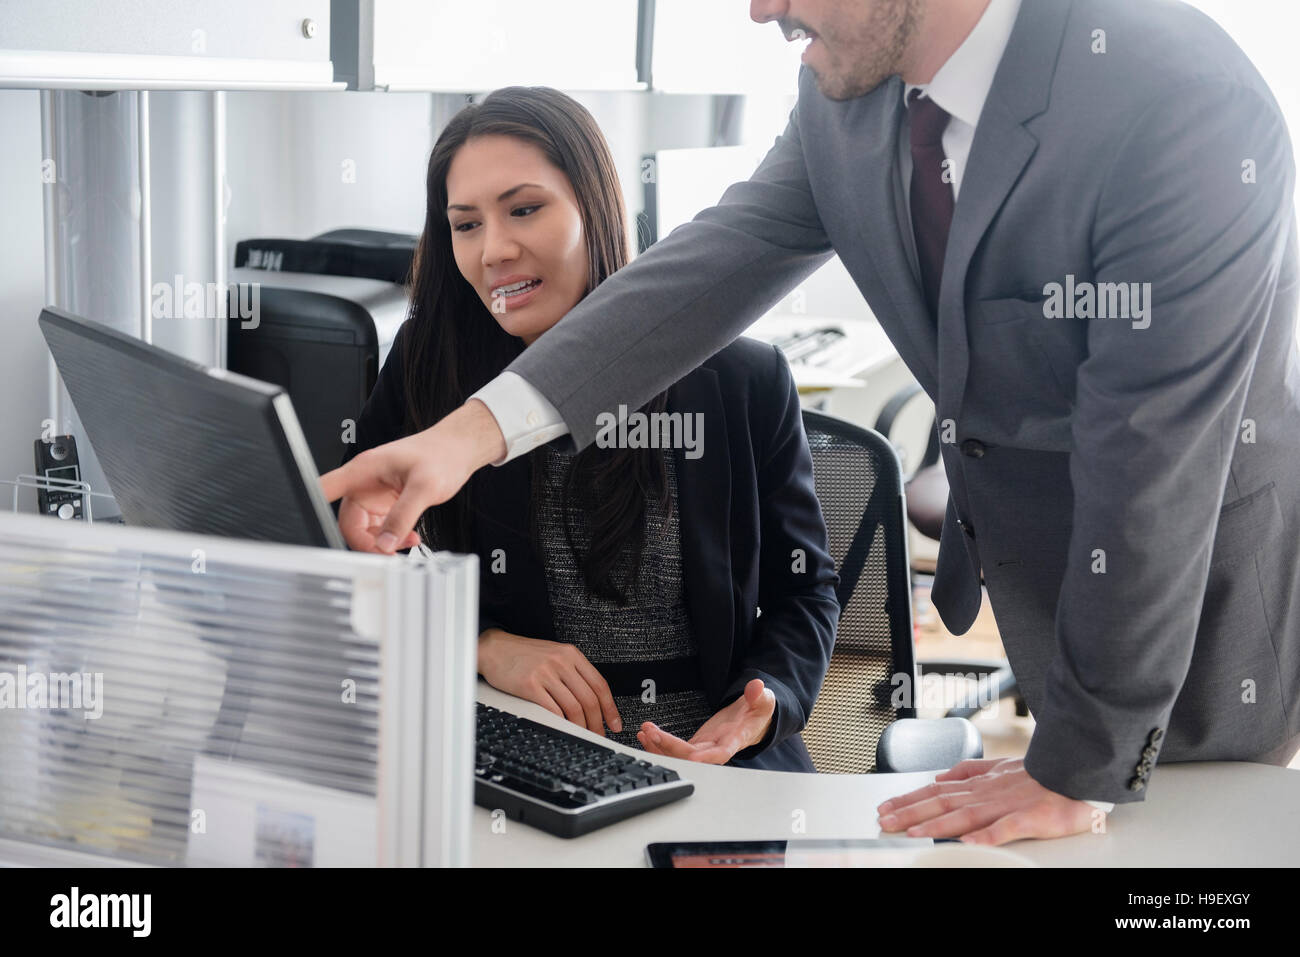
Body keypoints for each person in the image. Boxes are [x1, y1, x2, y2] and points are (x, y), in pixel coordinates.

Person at [322, 0, 1300, 844]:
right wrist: (463, 439)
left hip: (1202, 613)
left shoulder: (1177, 104)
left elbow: (1151, 470)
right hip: (1056, 614)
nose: (756, 10)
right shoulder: (848, 97)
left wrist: (1082, 761)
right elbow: (713, 265)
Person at [334, 86, 839, 771]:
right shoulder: (431, 372)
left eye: (524, 209)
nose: (494, 250)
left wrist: (765, 699)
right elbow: (357, 569)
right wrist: (480, 644)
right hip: (525, 759)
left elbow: (804, 590)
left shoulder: (740, 379)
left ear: (594, 208)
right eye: (466, 224)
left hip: (714, 771)